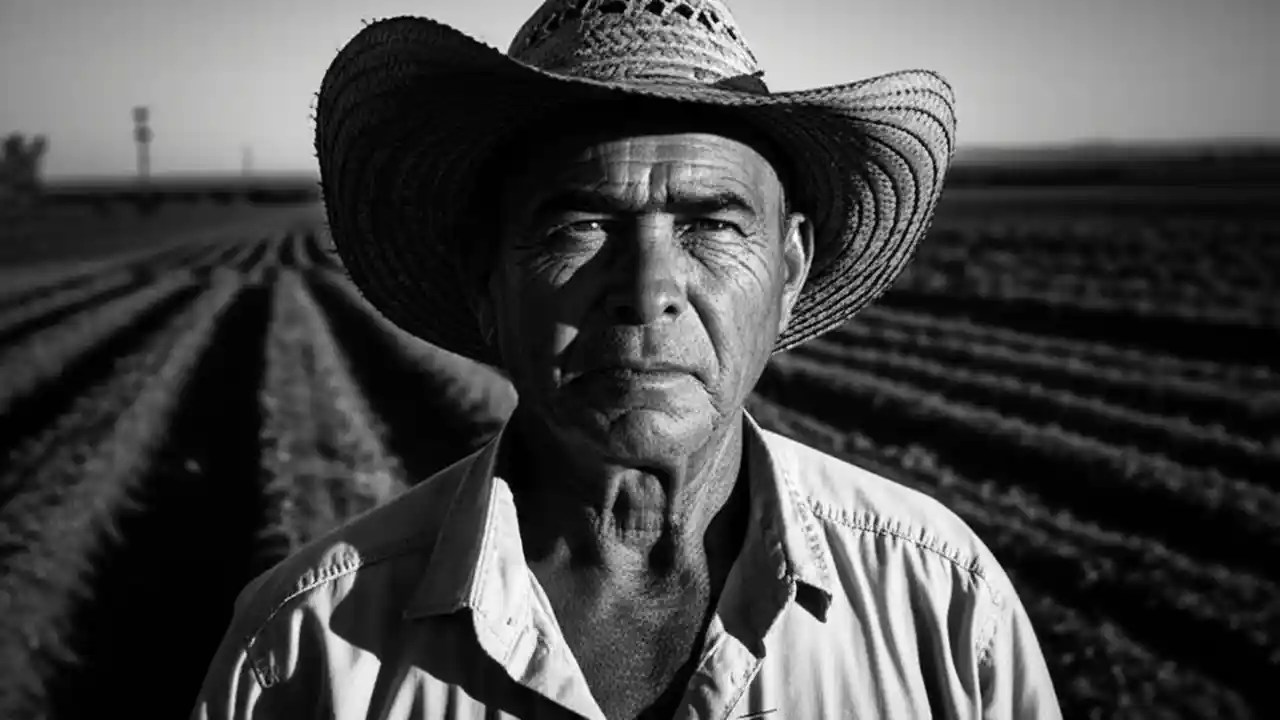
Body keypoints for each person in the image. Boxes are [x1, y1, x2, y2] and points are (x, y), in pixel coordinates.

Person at [192, 1, 1062, 717]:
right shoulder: (304, 650)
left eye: (712, 225)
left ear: (790, 268)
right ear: (486, 280)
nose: (647, 291)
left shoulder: (941, 604)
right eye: (581, 225)